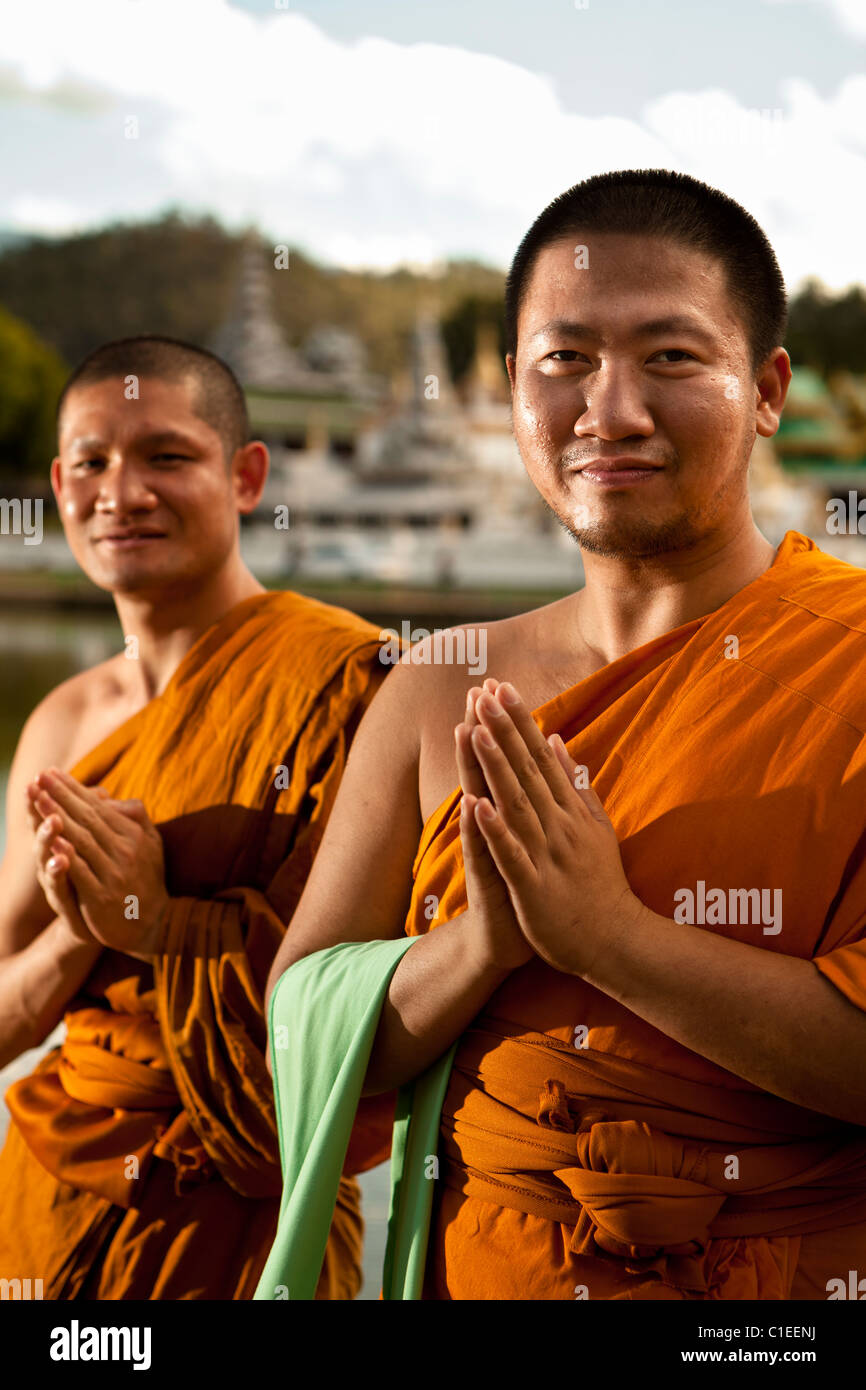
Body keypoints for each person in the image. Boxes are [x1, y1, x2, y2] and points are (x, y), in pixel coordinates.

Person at [263, 169, 866, 1300]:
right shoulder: (439, 687)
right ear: (509, 388)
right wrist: (478, 944)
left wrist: (607, 939)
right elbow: (302, 1025)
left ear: (768, 387)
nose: (610, 411)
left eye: (671, 357)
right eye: (566, 359)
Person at [0, 335, 392, 1300]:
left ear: (246, 475)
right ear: (59, 486)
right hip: (52, 1189)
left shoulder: (349, 684)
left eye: (166, 457)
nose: (121, 493)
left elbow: (373, 1012)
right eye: (90, 462)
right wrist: (85, 938)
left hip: (246, 1215)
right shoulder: (67, 717)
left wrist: (159, 921)